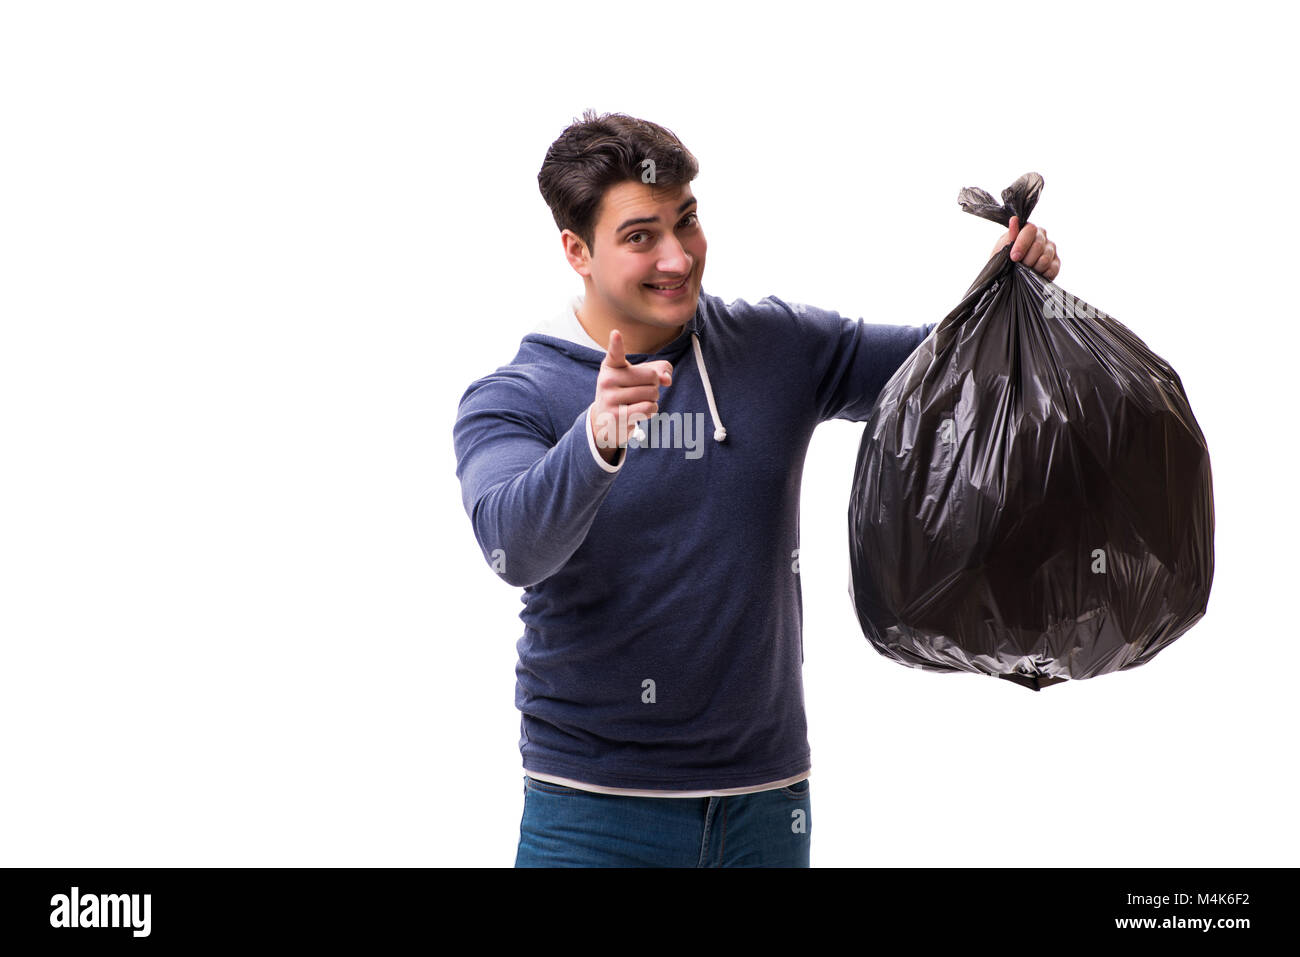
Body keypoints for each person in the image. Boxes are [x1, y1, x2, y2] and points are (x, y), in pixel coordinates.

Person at [452, 110, 1060, 867]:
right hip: (591, 815)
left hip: (769, 811)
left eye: (688, 221)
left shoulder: (777, 348)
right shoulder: (515, 396)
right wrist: (597, 440)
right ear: (576, 249)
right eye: (641, 236)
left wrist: (1016, 292)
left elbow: (946, 371)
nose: (678, 257)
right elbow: (514, 544)